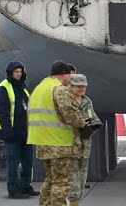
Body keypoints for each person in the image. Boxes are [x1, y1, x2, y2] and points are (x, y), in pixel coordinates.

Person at [28, 61, 86, 206]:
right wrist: (84, 123)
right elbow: (69, 115)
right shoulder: (60, 90)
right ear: (64, 75)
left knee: (50, 180)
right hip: (59, 144)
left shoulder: (40, 88)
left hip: (43, 143)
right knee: (61, 183)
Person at [0, 61, 35, 198]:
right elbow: (2, 112)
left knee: (27, 162)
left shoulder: (22, 88)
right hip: (12, 133)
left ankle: (25, 186)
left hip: (25, 132)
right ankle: (13, 189)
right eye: (16, 72)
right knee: (13, 164)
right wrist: (7, 132)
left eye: (20, 72)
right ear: (10, 73)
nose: (18, 74)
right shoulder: (4, 88)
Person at [67, 74, 102, 206]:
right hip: (70, 145)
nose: (81, 89)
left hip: (84, 145)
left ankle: (75, 201)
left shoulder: (86, 101)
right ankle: (73, 202)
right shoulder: (66, 101)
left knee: (82, 179)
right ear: (71, 87)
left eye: (83, 86)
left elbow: (92, 118)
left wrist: (90, 126)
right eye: (78, 86)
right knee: (73, 181)